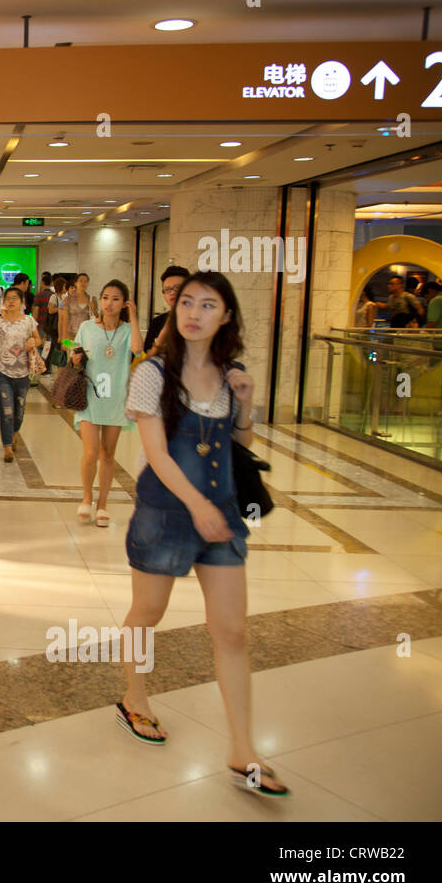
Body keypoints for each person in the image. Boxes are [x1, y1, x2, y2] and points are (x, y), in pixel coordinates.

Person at [116, 270, 288, 797]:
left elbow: (239, 442)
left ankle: (244, 751)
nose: (192, 313)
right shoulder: (152, 373)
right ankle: (133, 699)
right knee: (148, 613)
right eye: (186, 302)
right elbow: (158, 454)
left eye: (208, 305)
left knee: (232, 631)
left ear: (227, 316)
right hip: (167, 511)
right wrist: (196, 506)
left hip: (223, 512)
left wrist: (246, 401)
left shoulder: (230, 371)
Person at [71, 279, 142, 526]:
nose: (109, 303)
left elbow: (138, 350)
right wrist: (76, 358)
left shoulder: (126, 330)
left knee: (108, 453)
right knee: (90, 452)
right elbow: (75, 354)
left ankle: (103, 503)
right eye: (105, 297)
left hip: (116, 398)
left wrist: (133, 319)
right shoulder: (88, 327)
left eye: (115, 299)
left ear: (124, 303)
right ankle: (87, 498)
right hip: (91, 396)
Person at [0, 286, 41, 462]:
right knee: (6, 411)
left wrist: (34, 341)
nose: (10, 301)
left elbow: (39, 339)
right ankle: (7, 446)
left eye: (15, 298)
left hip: (22, 374)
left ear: (21, 302)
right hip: (2, 372)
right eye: (8, 298)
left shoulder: (29, 321)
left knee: (19, 412)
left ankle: (15, 432)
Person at [143, 265, 189, 354]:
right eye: (167, 289)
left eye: (177, 288)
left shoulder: (198, 318)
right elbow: (148, 353)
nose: (172, 292)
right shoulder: (157, 322)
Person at [59, 272, 94, 343]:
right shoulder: (68, 299)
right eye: (81, 281)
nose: (83, 283)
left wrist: (93, 309)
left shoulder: (91, 299)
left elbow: (97, 318)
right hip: (70, 336)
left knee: (84, 354)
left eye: (86, 281)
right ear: (75, 283)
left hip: (86, 336)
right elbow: (64, 320)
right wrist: (63, 338)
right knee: (72, 353)